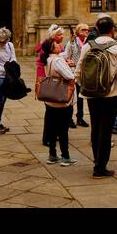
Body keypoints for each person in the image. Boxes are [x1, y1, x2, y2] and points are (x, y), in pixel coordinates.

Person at [77, 16, 117, 178]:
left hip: (91, 94)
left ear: (97, 30)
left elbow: (78, 71)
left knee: (95, 128)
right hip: (110, 95)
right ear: (112, 29)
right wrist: (111, 85)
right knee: (106, 131)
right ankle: (100, 167)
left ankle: (96, 161)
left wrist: (89, 84)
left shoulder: (87, 46)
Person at [40, 33, 77, 166]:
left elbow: (65, 54)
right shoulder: (57, 60)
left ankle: (52, 155)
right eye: (56, 44)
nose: (58, 45)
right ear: (52, 48)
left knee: (52, 128)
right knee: (63, 129)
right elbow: (68, 76)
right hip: (62, 100)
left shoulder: (48, 59)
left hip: (50, 99)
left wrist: (71, 42)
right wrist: (72, 70)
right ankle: (65, 156)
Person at [64, 22, 91, 128]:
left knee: (81, 97)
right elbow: (66, 56)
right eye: (83, 30)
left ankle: (80, 118)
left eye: (87, 30)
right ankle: (69, 118)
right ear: (78, 32)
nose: (86, 32)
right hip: (72, 72)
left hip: (84, 73)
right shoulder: (72, 42)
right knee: (71, 97)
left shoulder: (89, 43)